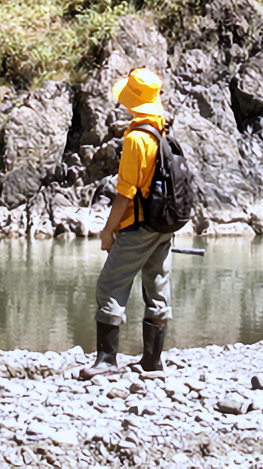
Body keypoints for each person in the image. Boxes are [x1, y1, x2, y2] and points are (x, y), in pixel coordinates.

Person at [80, 65, 174, 379]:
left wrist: (108, 231)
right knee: (156, 285)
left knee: (110, 285)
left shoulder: (136, 138)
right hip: (162, 224)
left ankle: (107, 361)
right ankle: (153, 362)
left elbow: (125, 194)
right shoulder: (161, 130)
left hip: (138, 225)